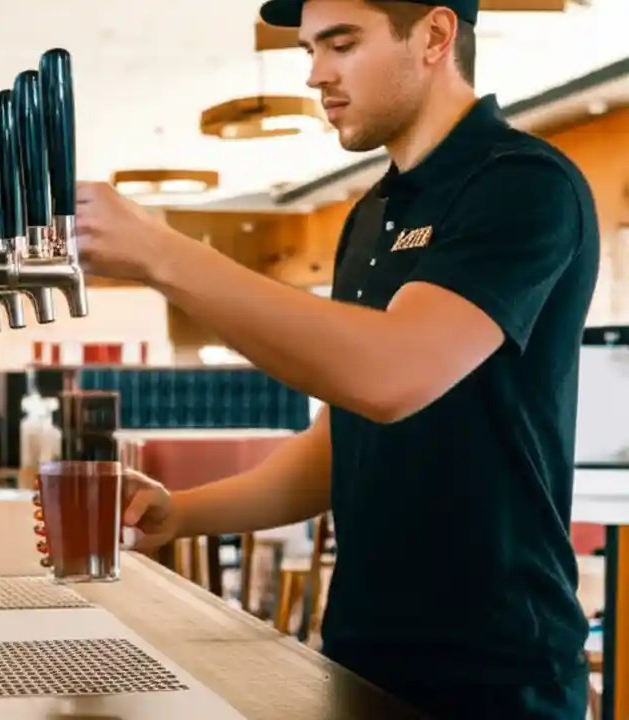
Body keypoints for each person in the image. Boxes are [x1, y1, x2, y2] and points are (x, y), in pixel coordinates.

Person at [60, 0, 601, 717]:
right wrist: (178, 512)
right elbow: (343, 438)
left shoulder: (522, 185)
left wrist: (164, 253)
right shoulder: (371, 214)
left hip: (497, 671)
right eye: (310, 50)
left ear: (435, 35)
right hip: (360, 650)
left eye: (341, 44)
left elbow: (390, 375)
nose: (316, 74)